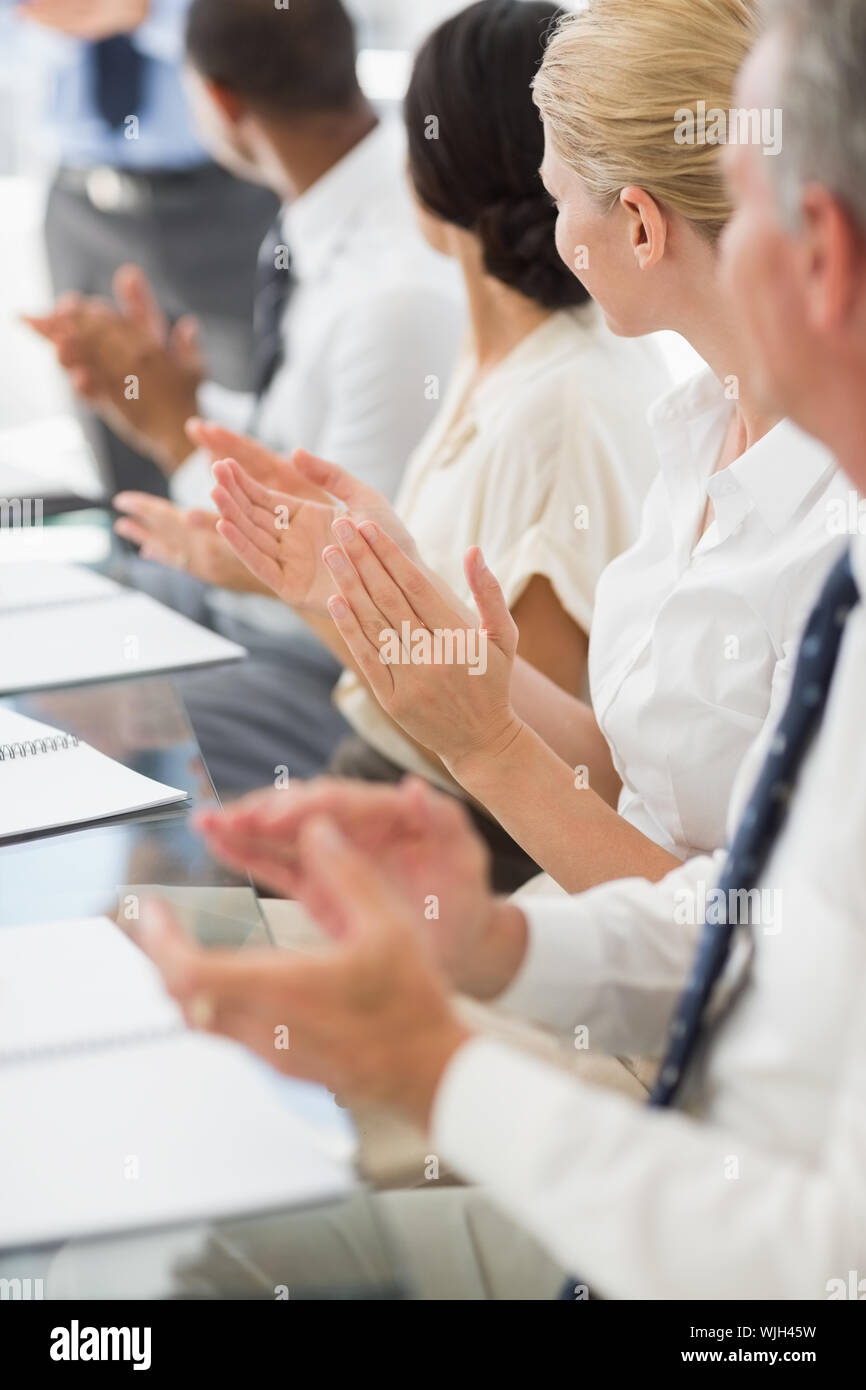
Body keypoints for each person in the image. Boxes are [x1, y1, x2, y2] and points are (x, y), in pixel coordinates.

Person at [126, 0, 866, 1301]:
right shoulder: (698, 428)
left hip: (678, 1112)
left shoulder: (809, 520)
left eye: (756, 206)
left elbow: (742, 964)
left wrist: (486, 763)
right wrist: (399, 618)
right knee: (135, 973)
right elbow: (703, 860)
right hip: (614, 989)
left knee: (181, 1217)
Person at [212, 0, 850, 896]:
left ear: (640, 225)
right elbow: (629, 777)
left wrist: (490, 748)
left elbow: (738, 933)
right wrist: (402, 595)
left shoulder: (828, 523)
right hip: (592, 932)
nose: (550, 232)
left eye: (557, 199)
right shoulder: (698, 431)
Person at [91, 0, 671, 892]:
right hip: (399, 768)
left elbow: (525, 771)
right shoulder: (495, 356)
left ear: (431, 168)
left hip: (457, 830)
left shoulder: (556, 405)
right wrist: (319, 564)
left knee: (153, 848)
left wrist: (317, 585)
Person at [27, 0, 464, 795]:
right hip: (249, 614)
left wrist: (178, 437)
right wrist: (177, 403)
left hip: (324, 664)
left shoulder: (392, 292)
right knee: (41, 632)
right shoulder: (327, 215)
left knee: (71, 741)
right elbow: (303, 449)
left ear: (219, 101)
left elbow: (342, 579)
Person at [10, 0, 277, 496]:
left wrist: (150, 13)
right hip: (81, 199)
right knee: (109, 396)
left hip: (221, 196)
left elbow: (281, 26)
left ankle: (250, 539)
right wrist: (41, 18)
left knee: (253, 411)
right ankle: (139, 540)